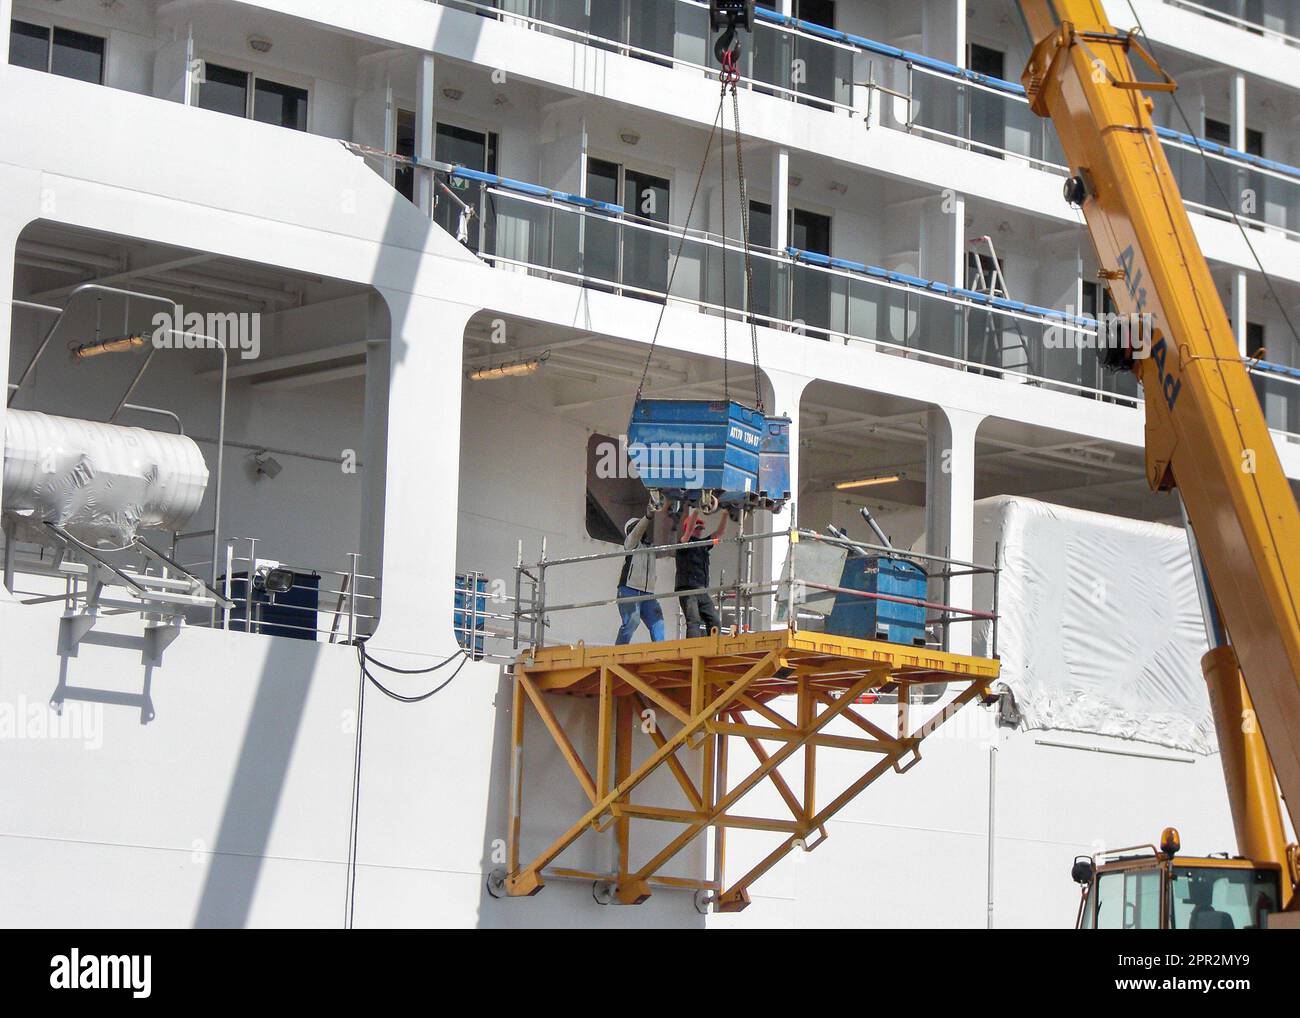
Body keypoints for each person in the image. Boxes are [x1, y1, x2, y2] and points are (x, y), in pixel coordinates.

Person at [675, 507, 728, 639]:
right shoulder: (683, 543)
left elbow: (719, 534)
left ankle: (713, 647)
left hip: (702, 591)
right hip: (688, 591)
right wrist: (697, 510)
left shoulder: (704, 544)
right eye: (697, 528)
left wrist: (726, 513)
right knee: (693, 622)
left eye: (700, 529)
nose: (699, 531)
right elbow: (687, 532)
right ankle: (692, 651)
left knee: (714, 621)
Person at [615, 512, 665, 645]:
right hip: (629, 589)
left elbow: (667, 548)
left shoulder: (650, 548)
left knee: (657, 622)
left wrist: (673, 523)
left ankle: (660, 651)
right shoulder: (631, 543)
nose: (642, 530)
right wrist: (648, 517)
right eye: (637, 527)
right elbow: (637, 533)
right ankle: (619, 651)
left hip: (648, 593)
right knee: (632, 621)